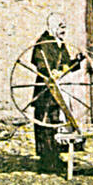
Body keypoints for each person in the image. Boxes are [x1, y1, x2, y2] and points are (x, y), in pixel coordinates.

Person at [31, 13, 83, 171]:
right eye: (61, 27)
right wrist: (50, 72)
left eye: (64, 27)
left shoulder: (59, 44)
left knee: (55, 122)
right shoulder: (43, 43)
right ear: (53, 27)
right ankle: (47, 159)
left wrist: (77, 60)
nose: (64, 30)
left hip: (58, 89)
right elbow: (39, 64)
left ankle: (55, 156)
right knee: (45, 123)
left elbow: (66, 66)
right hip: (45, 91)